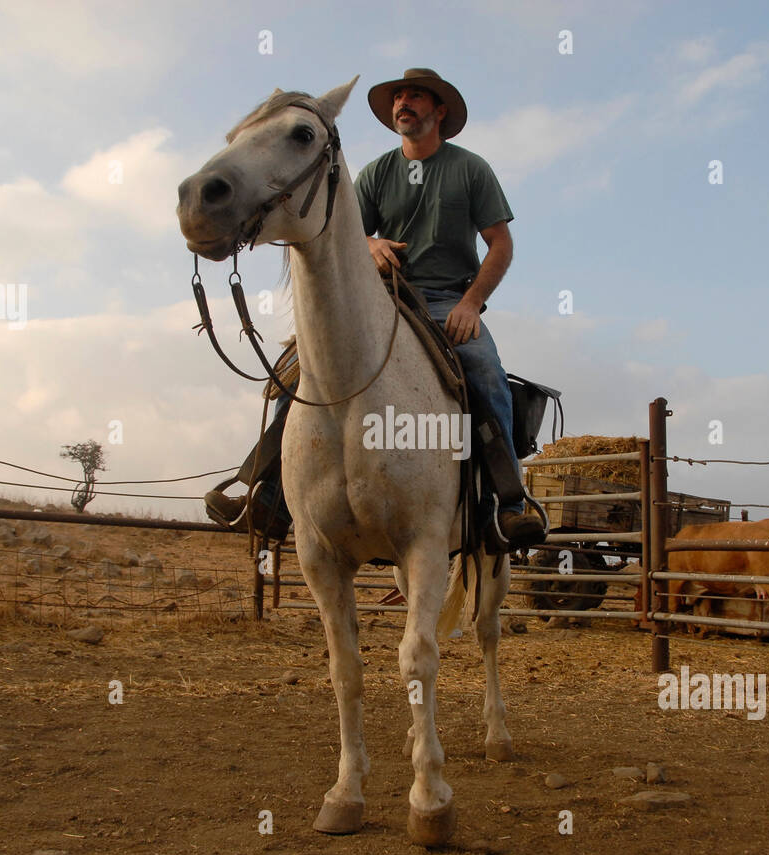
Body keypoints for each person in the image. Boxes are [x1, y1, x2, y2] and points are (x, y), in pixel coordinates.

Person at [206, 68, 545, 546]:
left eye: (415, 96)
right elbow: (341, 228)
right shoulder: (376, 172)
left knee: (486, 374)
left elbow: (501, 244)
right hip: (382, 295)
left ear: (439, 111)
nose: (403, 102)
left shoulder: (470, 169)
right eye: (399, 96)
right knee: (297, 370)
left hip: (449, 300)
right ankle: (267, 494)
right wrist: (369, 244)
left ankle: (507, 505)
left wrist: (472, 303)